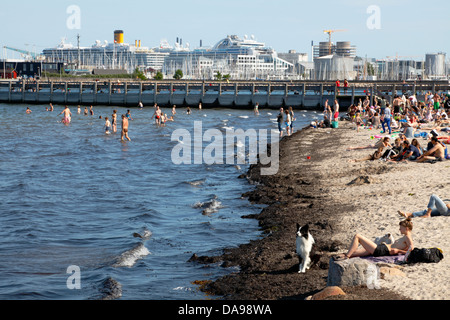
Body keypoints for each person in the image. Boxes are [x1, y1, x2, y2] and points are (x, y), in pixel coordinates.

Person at [334, 218, 414, 260]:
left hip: (381, 250)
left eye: (401, 228)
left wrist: (399, 251)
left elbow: (411, 249)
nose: (399, 230)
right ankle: (342, 256)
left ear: (406, 228)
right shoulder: (405, 237)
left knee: (357, 236)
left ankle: (346, 256)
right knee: (353, 253)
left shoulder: (407, 237)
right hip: (382, 248)